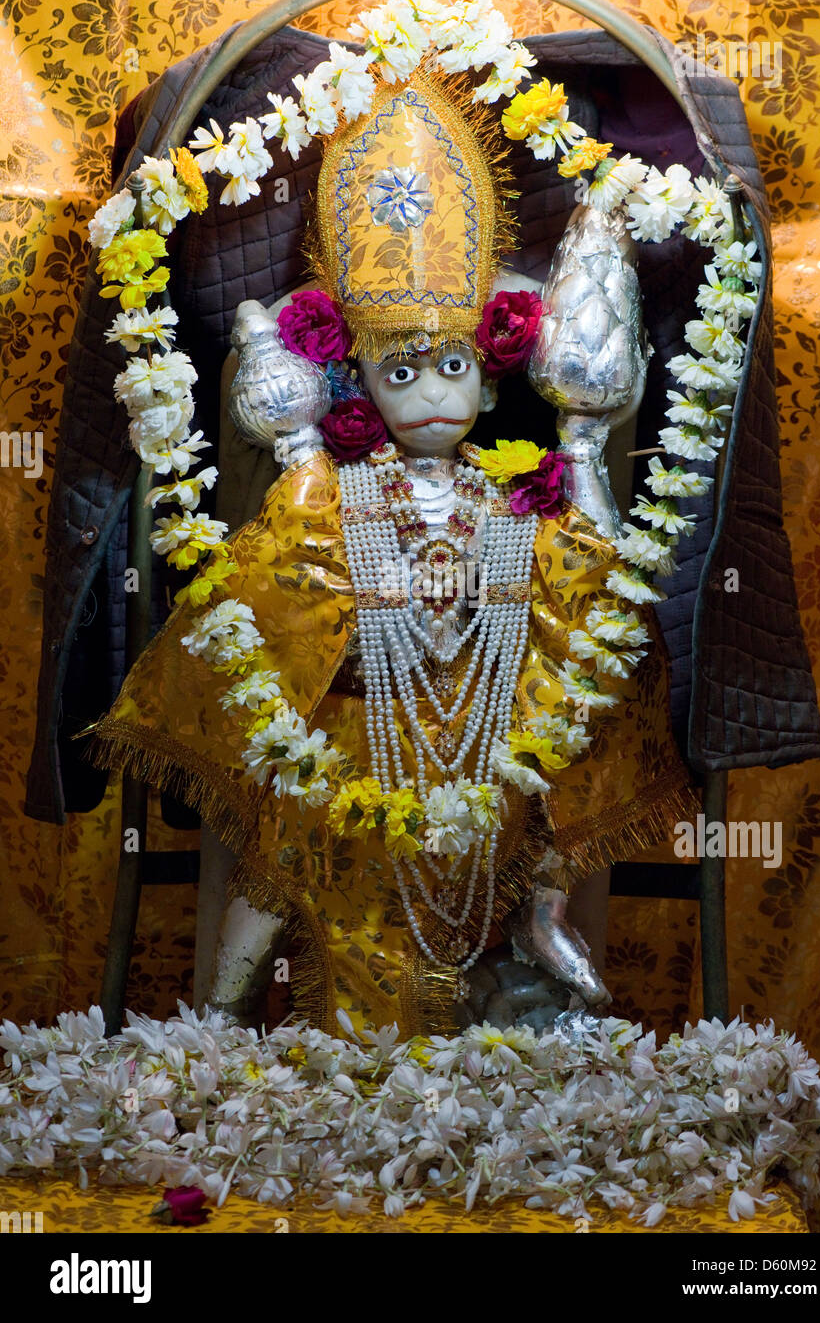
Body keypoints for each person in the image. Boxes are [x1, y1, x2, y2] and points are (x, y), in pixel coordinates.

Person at [92, 66, 697, 1038]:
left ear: (490, 373)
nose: (431, 395)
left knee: (545, 760)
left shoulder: (512, 496)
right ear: (359, 380)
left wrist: (577, 463)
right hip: (346, 747)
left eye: (451, 366)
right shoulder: (335, 494)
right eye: (402, 371)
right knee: (289, 835)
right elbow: (260, 598)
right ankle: (221, 1008)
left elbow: (597, 597)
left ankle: (540, 915)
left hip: (485, 749)